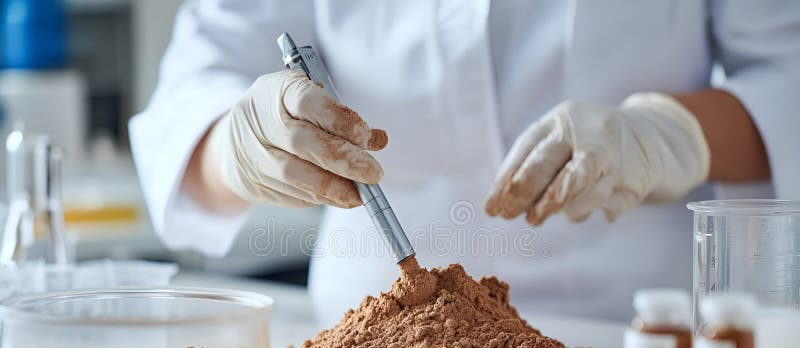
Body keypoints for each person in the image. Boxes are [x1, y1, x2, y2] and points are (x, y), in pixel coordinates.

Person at [130, 1, 799, 325]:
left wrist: (668, 134)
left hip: (633, 341)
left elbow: (786, 70)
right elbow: (192, 92)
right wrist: (240, 145)